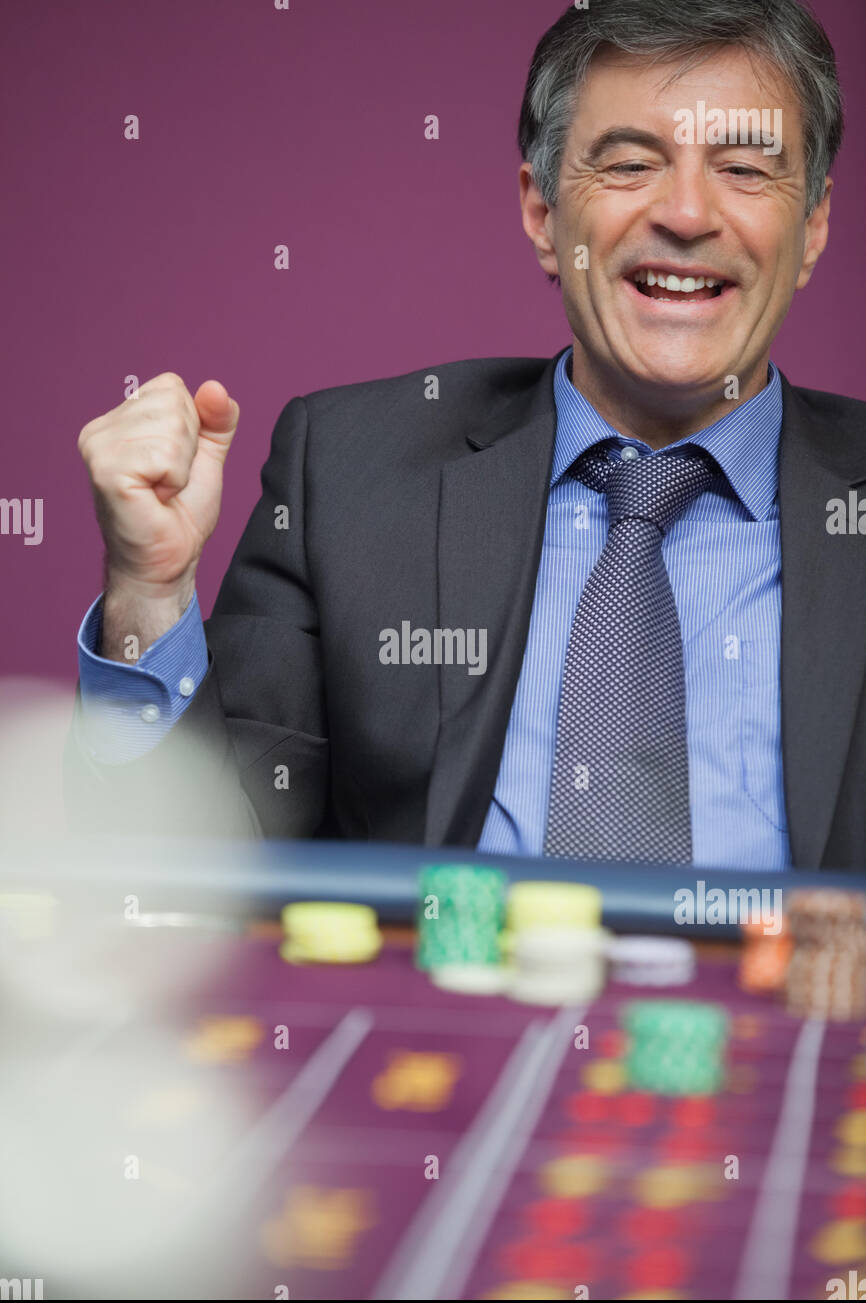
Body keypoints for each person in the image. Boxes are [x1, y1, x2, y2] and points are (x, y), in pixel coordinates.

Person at [66, 0, 866, 872]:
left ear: (814, 226)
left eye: (745, 169)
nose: (685, 213)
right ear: (542, 214)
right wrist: (149, 594)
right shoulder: (346, 474)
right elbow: (203, 880)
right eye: (632, 163)